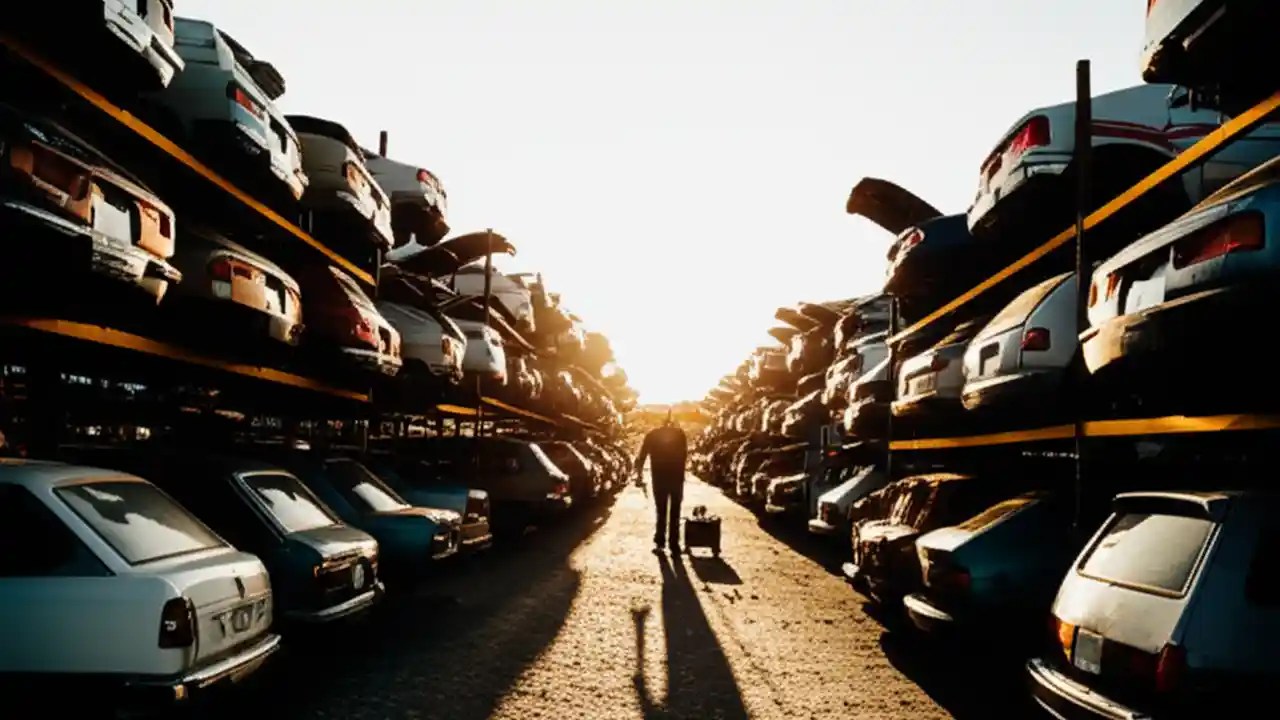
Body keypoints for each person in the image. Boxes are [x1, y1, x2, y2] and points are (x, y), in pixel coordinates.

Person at [635, 410, 688, 553]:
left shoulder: (652, 435)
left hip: (659, 477)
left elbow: (642, 456)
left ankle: (660, 543)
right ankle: (674, 545)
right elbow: (685, 455)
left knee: (661, 510)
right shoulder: (680, 434)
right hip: (676, 477)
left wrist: (639, 475)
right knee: (675, 511)